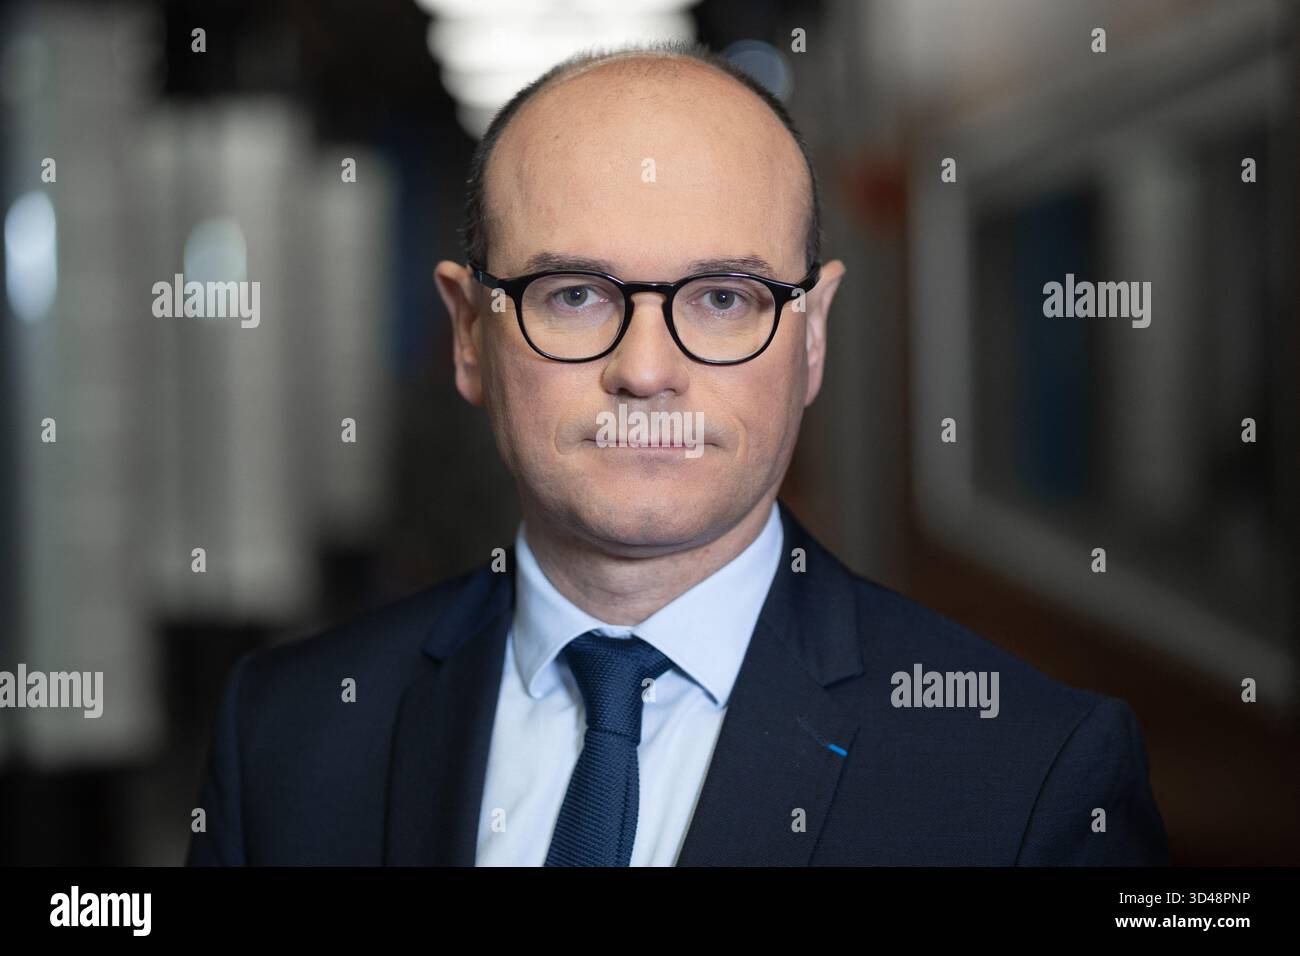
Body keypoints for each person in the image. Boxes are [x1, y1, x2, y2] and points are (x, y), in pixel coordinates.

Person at [186, 40, 1167, 866]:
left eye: (723, 297)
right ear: (468, 334)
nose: (646, 369)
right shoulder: (286, 732)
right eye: (573, 293)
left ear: (812, 334)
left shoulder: (1031, 775)